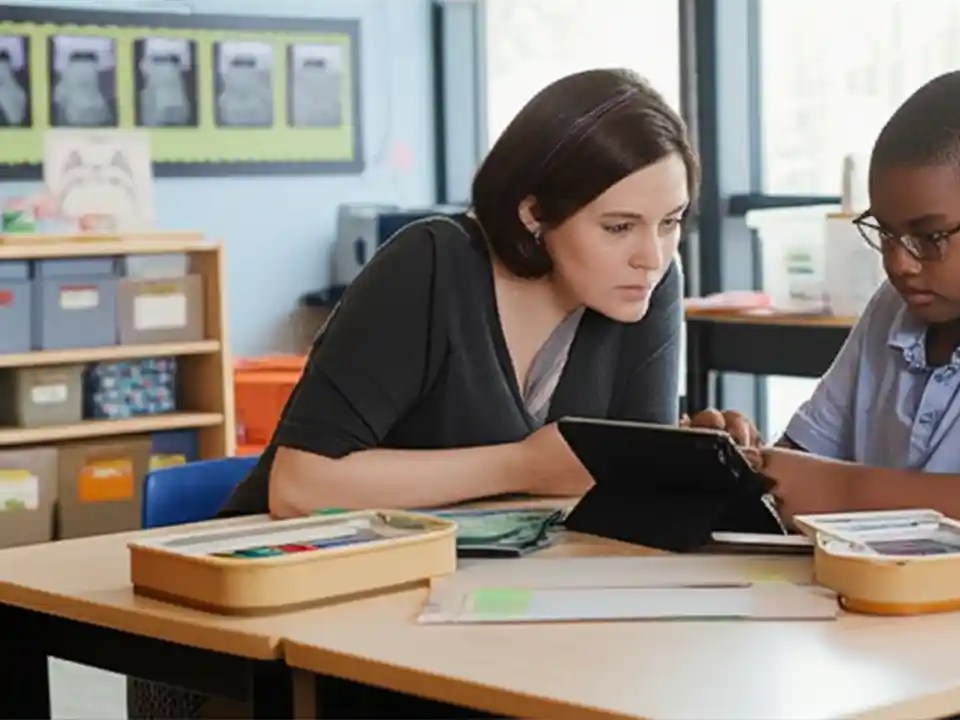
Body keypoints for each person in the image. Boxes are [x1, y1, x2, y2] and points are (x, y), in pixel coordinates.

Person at [129, 67, 695, 718]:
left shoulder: (645, 287)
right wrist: (521, 465)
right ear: (534, 212)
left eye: (671, 222)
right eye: (618, 227)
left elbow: (627, 490)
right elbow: (300, 485)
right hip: (262, 643)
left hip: (461, 622)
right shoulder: (432, 266)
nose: (651, 255)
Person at [690, 69, 960, 552]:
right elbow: (803, 465)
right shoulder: (889, 311)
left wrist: (849, 492)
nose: (899, 262)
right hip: (901, 615)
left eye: (930, 237)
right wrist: (740, 462)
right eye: (886, 233)